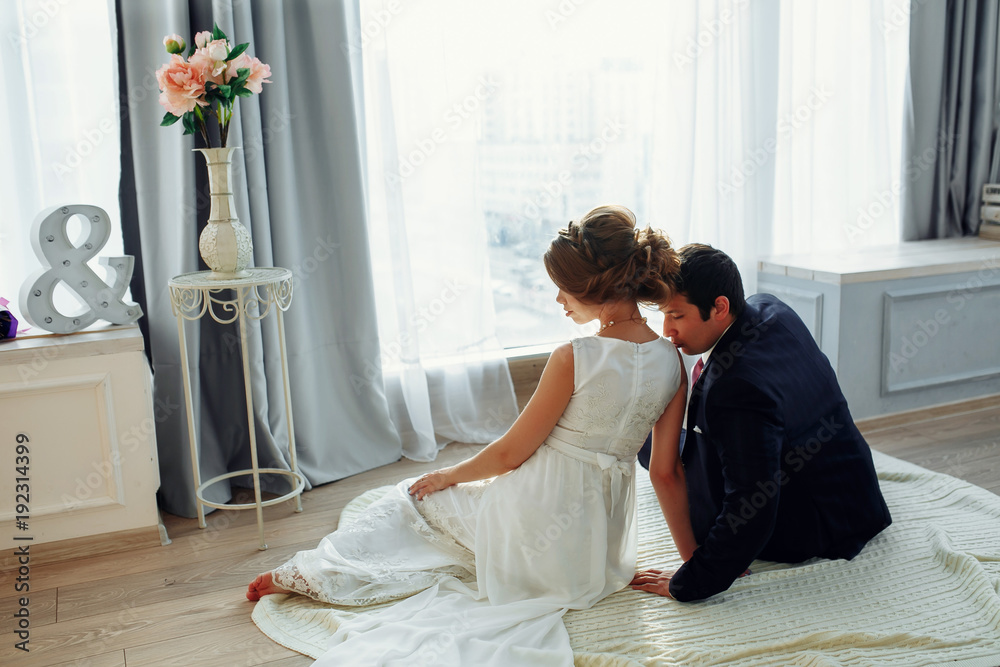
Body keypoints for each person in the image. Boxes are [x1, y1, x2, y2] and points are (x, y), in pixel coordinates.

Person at [247, 205, 695, 665]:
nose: (558, 300)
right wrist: (694, 565)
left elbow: (509, 455)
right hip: (599, 556)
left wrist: (447, 476)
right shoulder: (673, 363)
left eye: (562, 289)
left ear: (592, 285)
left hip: (535, 520)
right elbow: (665, 471)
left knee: (409, 499)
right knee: (445, 510)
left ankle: (309, 575)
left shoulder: (575, 356)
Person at [631, 244, 892, 603]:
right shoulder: (771, 309)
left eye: (676, 315)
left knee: (655, 449)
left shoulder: (734, 387)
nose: (667, 330)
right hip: (857, 495)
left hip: (815, 526)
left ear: (720, 307)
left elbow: (752, 505)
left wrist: (691, 580)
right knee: (662, 444)